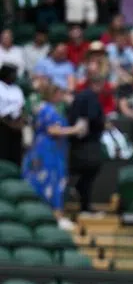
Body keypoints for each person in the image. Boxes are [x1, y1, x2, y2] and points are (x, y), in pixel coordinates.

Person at [22, 82, 85, 218]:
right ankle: (53, 215)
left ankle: (53, 214)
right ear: (53, 94)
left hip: (51, 148)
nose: (62, 97)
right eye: (60, 94)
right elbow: (52, 130)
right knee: (50, 179)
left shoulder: (47, 108)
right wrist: (76, 129)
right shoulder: (48, 110)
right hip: (47, 150)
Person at [68, 60, 106, 214]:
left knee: (86, 173)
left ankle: (84, 204)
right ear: (97, 84)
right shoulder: (90, 97)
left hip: (79, 142)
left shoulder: (81, 95)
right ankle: (82, 200)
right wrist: (102, 123)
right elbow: (88, 118)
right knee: (91, 170)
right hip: (87, 142)